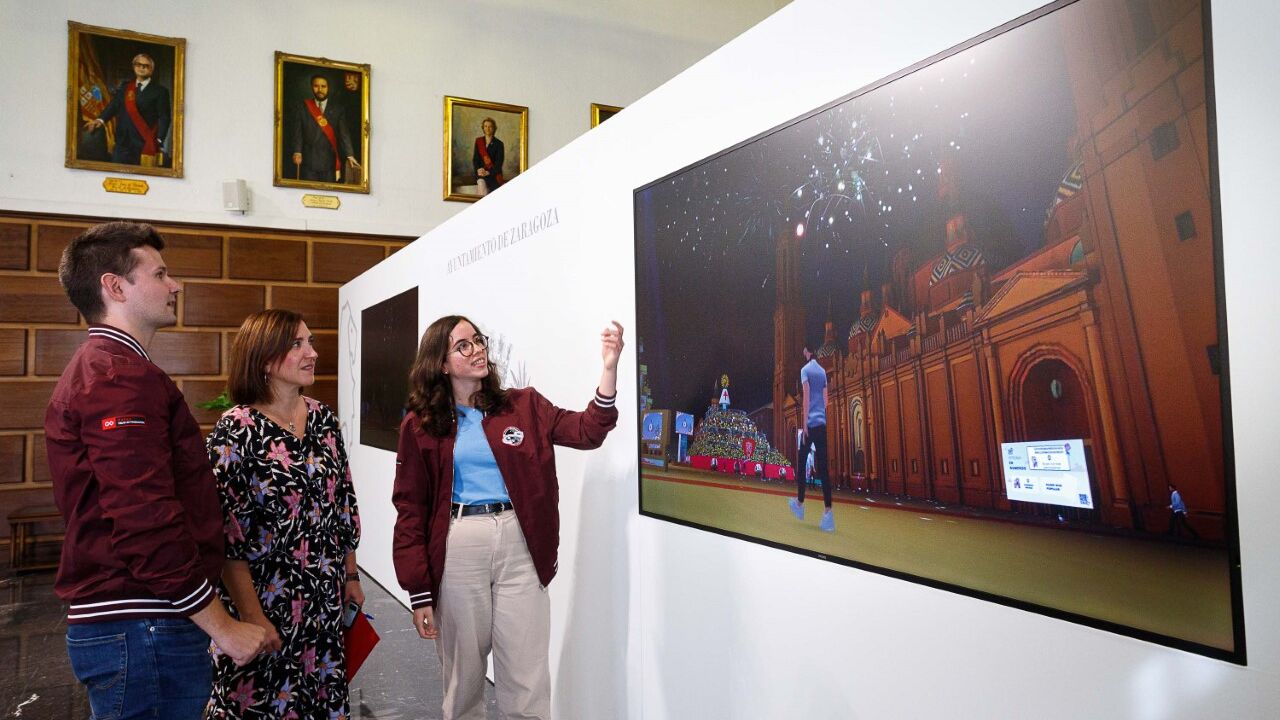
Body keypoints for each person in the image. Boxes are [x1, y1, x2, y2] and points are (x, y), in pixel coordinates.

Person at [44, 222, 268, 719]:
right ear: (115, 286)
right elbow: (143, 517)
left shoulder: (111, 369)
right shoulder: (117, 377)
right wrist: (222, 627)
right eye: (161, 274)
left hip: (141, 621)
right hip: (142, 623)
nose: (176, 285)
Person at [392, 315, 623, 719]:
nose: (477, 349)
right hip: (459, 546)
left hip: (520, 544)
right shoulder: (421, 425)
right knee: (464, 681)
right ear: (441, 363)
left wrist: (609, 368)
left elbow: (587, 430)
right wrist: (419, 590)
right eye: (463, 345)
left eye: (478, 340)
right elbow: (410, 506)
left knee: (527, 678)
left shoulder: (524, 405)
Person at [205, 309, 363, 718]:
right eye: (297, 344)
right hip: (265, 602)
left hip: (324, 602)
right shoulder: (235, 431)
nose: (312, 352)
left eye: (310, 342)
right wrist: (253, 617)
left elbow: (343, 502)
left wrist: (350, 575)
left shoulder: (323, 419)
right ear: (263, 358)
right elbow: (226, 535)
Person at [82, 53, 172, 166]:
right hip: (122, 142)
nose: (142, 67)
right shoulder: (125, 88)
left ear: (152, 69)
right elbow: (114, 105)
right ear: (134, 66)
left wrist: (158, 139)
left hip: (144, 142)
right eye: (138, 64)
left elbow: (164, 117)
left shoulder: (160, 91)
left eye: (146, 66)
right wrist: (100, 119)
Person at [789, 341, 835, 532]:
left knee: (801, 462)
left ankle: (800, 504)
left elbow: (806, 397)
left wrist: (807, 423)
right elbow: (826, 400)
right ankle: (828, 513)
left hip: (811, 424)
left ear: (806, 352)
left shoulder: (805, 370)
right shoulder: (822, 372)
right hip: (822, 424)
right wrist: (820, 416)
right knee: (823, 469)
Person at [290, 73, 360, 182]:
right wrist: (297, 151)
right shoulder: (302, 107)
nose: (320, 90)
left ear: (328, 88)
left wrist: (349, 154)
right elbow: (298, 133)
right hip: (309, 161)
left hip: (329, 162)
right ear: (311, 87)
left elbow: (344, 134)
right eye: (316, 86)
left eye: (323, 86)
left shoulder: (338, 109)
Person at [472, 117, 505, 195]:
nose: (487, 128)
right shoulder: (478, 141)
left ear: (494, 128)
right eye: (485, 126)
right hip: (481, 174)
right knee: (481, 184)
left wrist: (488, 172)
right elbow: (475, 159)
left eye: (490, 126)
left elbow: (499, 163)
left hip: (494, 175)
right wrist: (478, 169)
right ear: (483, 128)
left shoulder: (499, 144)